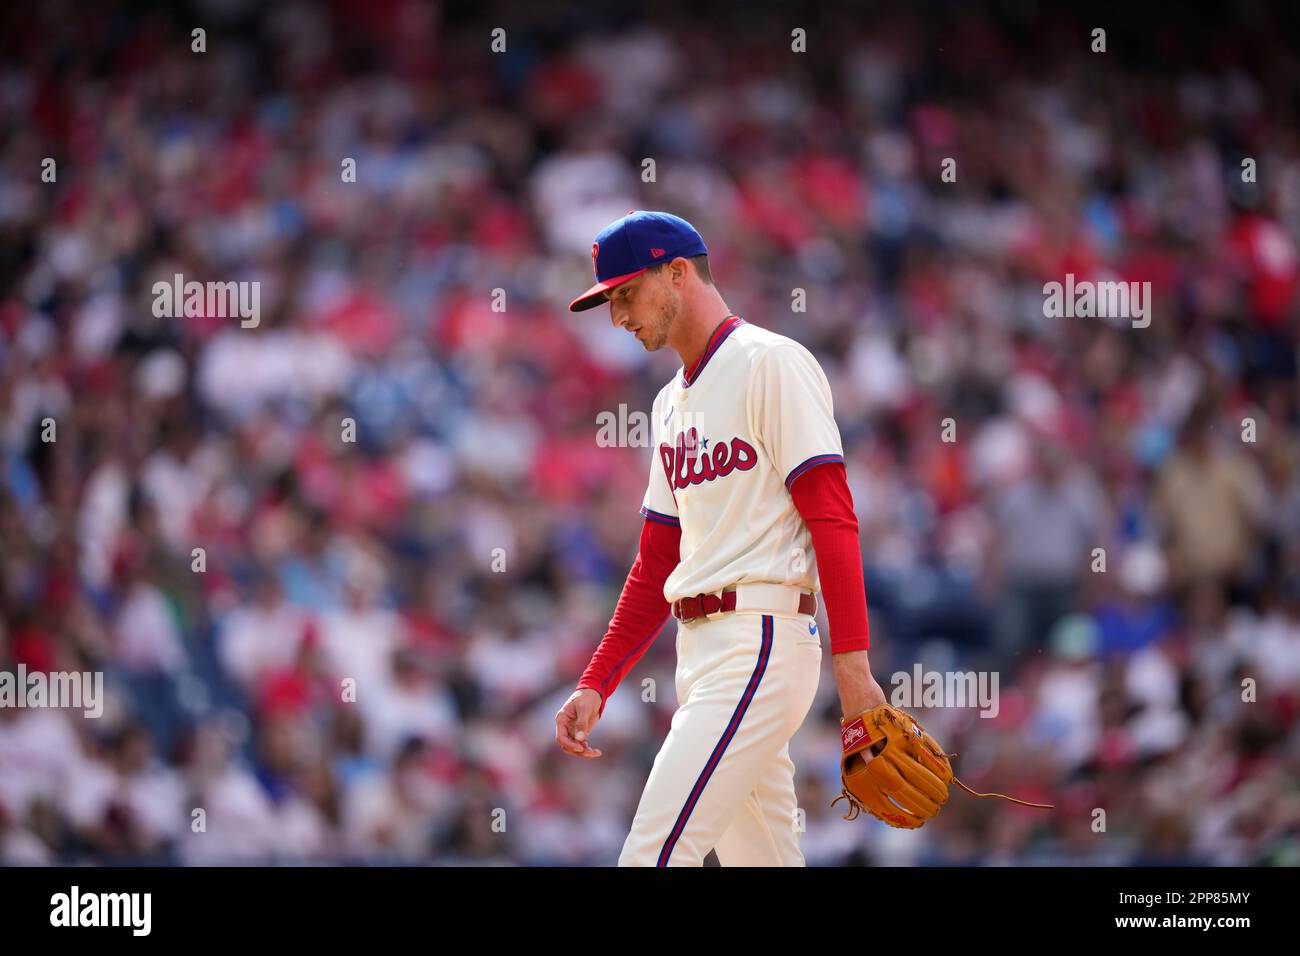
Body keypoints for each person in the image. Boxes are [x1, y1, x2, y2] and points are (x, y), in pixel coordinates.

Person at [553, 211, 886, 866]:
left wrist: (854, 672)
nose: (618, 317)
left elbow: (833, 518)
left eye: (626, 293)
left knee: (649, 857)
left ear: (677, 271)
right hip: (703, 655)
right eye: (609, 302)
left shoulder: (771, 363)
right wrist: (596, 681)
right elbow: (657, 564)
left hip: (759, 641)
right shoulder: (669, 403)